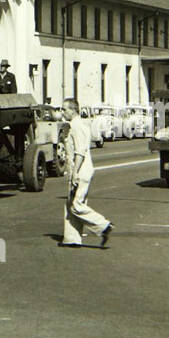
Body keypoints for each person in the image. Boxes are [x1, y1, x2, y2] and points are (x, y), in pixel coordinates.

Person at [60, 99, 112, 249]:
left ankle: (104, 226)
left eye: (65, 110)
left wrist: (75, 172)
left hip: (81, 170)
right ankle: (72, 238)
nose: (62, 113)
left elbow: (80, 152)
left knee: (76, 205)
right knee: (71, 203)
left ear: (73, 110)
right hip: (79, 170)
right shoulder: (75, 125)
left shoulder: (77, 126)